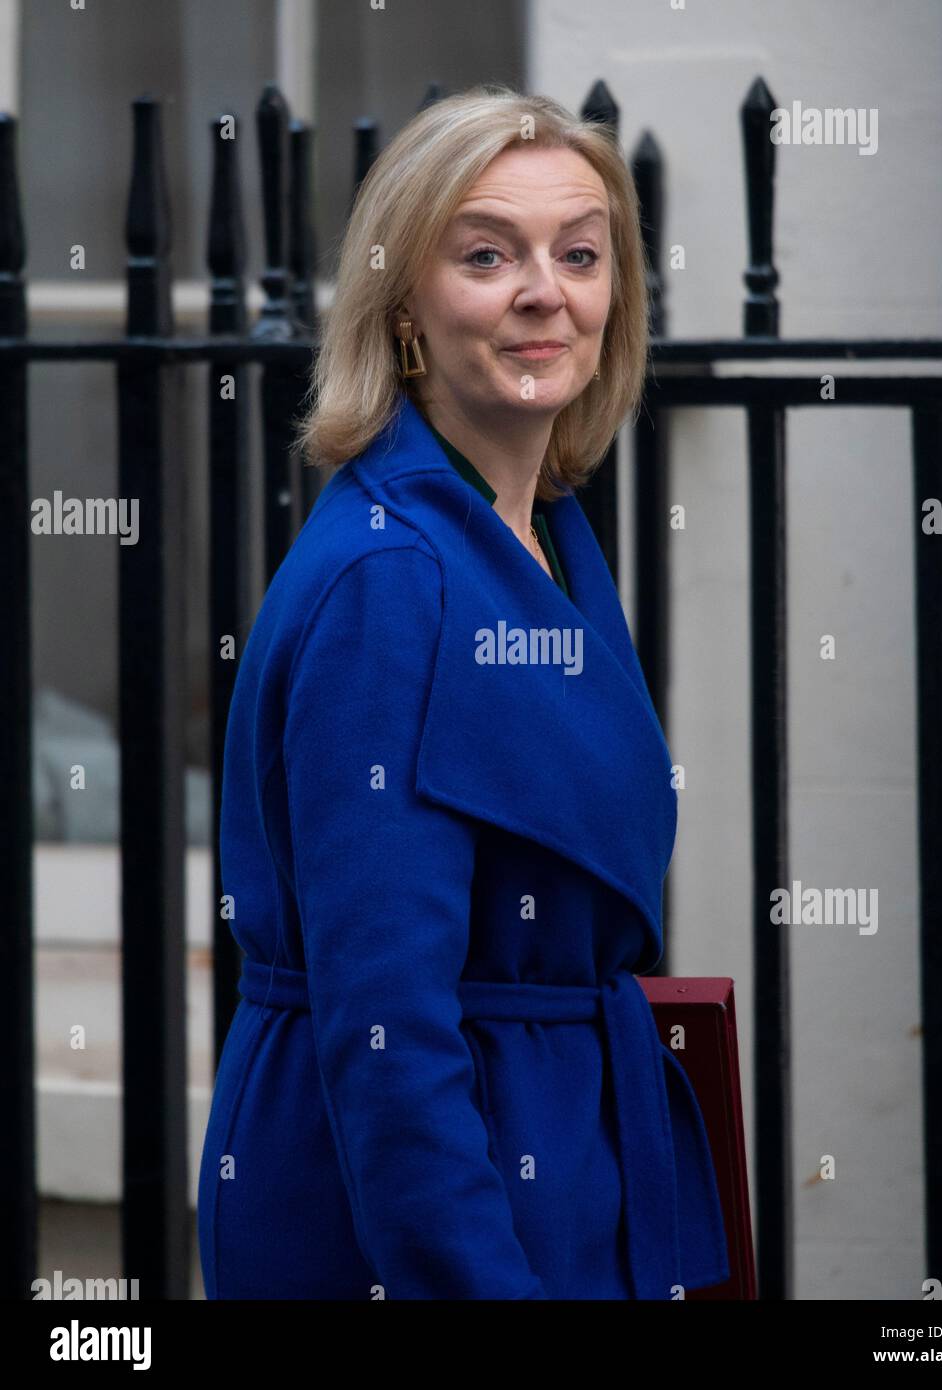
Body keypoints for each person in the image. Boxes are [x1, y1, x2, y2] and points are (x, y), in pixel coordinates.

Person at [197, 83, 729, 1300]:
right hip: (435, 1206)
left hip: (566, 1162)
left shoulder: (542, 533)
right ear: (403, 314)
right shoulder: (392, 581)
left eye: (579, 253)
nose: (545, 289)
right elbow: (388, 1033)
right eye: (488, 254)